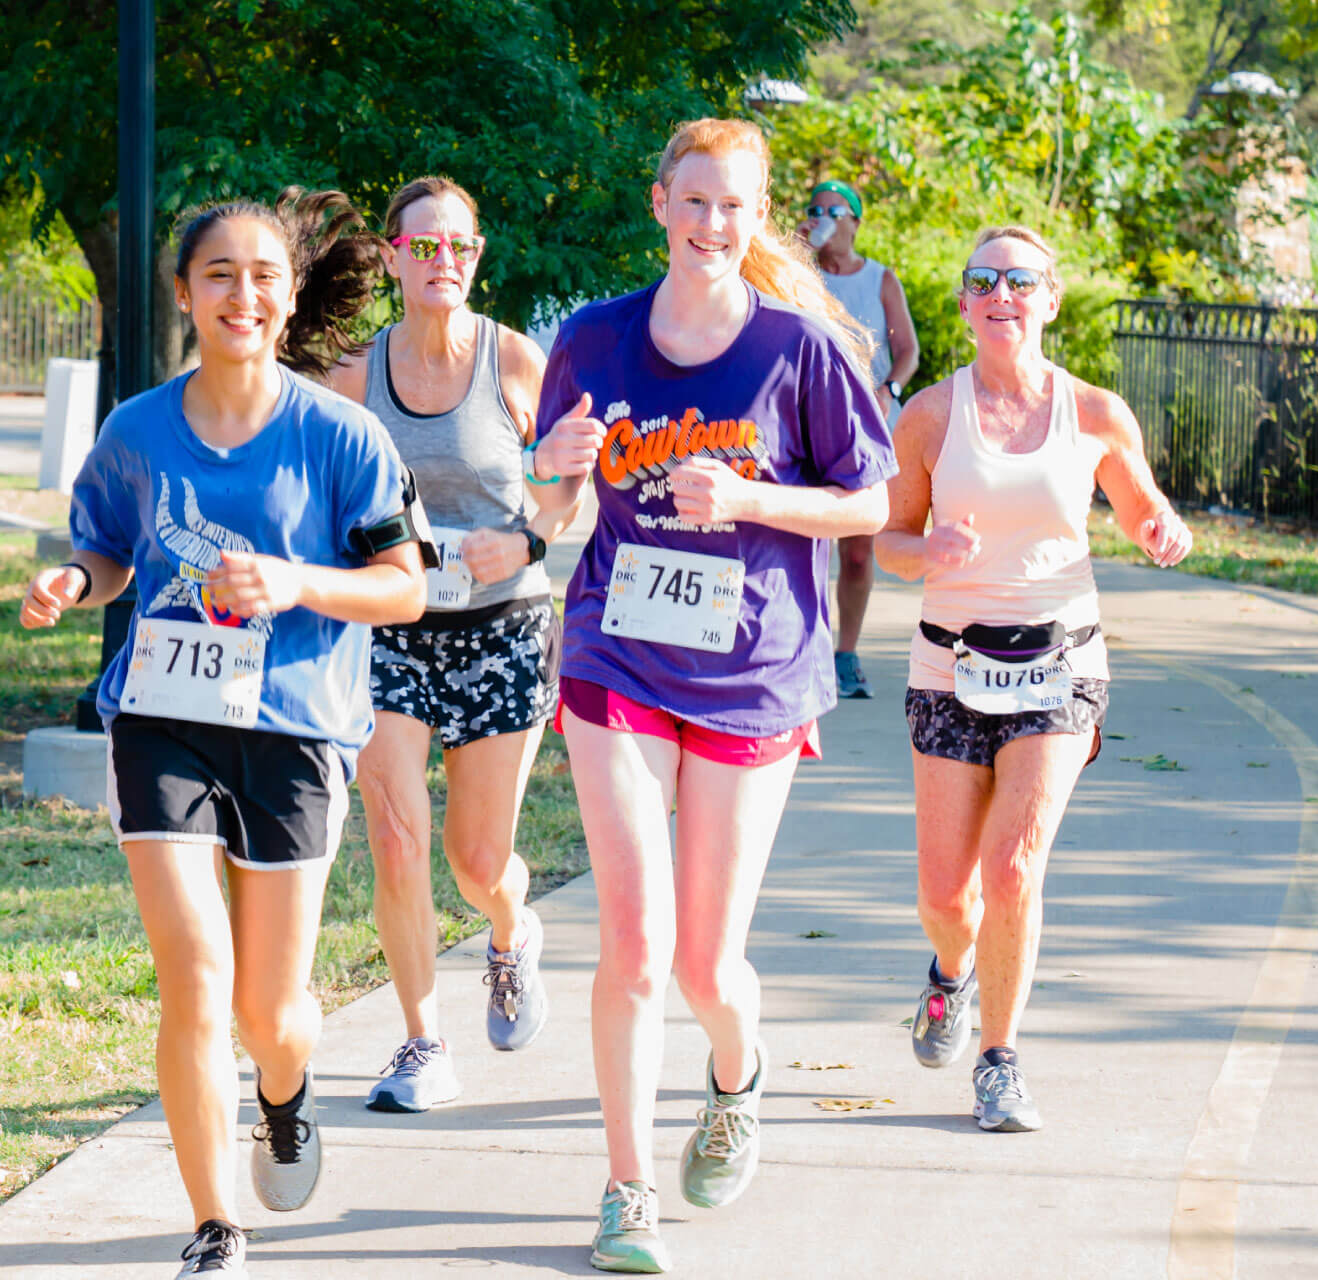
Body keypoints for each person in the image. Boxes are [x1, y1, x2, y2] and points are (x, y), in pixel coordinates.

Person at [19, 193, 428, 1280]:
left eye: (261, 275)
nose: (241, 295)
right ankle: (213, 1224)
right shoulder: (138, 429)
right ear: (186, 293)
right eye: (218, 275)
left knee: (271, 1011)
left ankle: (286, 1091)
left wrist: (295, 579)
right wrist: (76, 579)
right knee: (195, 970)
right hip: (162, 717)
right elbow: (107, 546)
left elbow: (405, 588)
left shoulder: (342, 434)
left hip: (293, 730)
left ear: (289, 295)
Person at [530, 118, 895, 1273]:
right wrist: (557, 474)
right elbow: (545, 514)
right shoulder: (591, 341)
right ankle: (625, 1188)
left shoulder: (802, 348)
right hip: (617, 655)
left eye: (734, 205)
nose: (711, 225)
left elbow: (870, 507)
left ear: (757, 215)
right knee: (634, 946)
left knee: (705, 966)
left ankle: (736, 1074)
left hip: (755, 671)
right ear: (659, 204)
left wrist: (750, 500)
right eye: (693, 202)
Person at [873, 225, 1192, 1135]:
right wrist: (923, 547)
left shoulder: (1095, 413)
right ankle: (950, 973)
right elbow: (886, 541)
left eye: (1021, 281)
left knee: (1013, 868)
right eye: (983, 281)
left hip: (1060, 662)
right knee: (946, 896)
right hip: (949, 665)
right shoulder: (931, 416)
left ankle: (1000, 1060)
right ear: (966, 303)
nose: (1001, 295)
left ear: (1050, 299)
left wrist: (1164, 532)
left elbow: (1144, 511)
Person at [327, 176, 573, 1112]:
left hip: (502, 628)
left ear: (478, 257)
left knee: (477, 864)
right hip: (389, 628)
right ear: (393, 256)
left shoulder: (515, 362)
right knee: (394, 835)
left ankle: (510, 931)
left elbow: (567, 484)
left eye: (460, 247)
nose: (443, 262)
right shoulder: (354, 373)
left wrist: (531, 535)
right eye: (424, 246)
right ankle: (422, 1043)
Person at [797, 180, 920, 702]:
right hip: (805, 421)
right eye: (814, 210)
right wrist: (794, 254)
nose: (824, 217)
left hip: (864, 426)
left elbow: (908, 350)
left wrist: (889, 387)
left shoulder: (880, 279)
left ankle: (846, 655)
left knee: (856, 551)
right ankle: (802, 651)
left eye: (834, 210)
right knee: (800, 543)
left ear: (855, 222)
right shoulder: (797, 273)